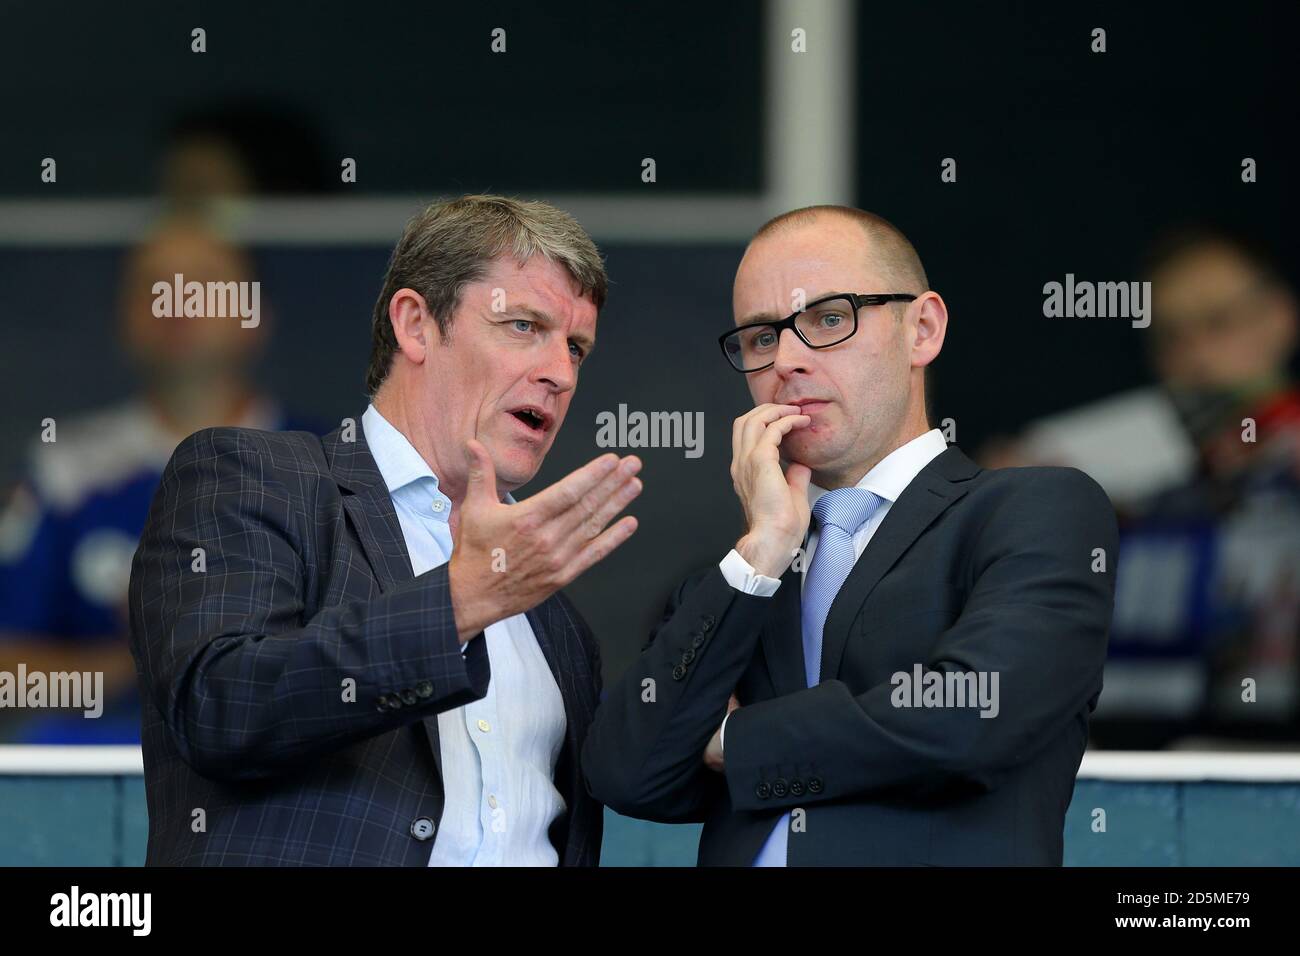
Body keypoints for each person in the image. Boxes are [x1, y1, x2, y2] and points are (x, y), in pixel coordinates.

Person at [582, 205, 1118, 866]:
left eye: (829, 319)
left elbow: (973, 713)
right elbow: (625, 771)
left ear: (922, 329)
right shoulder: (737, 578)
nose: (787, 359)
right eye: (759, 337)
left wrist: (733, 742)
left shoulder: (1033, 509)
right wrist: (762, 552)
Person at [128, 195, 642, 865]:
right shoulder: (256, 477)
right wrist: (459, 605)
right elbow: (219, 704)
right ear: (416, 325)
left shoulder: (559, 625)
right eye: (523, 325)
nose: (560, 372)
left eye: (575, 346)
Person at [0, 217, 311, 744]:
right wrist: (151, 662)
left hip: (292, 767)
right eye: (155, 285)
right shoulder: (65, 468)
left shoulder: (331, 459)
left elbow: (392, 653)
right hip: (103, 772)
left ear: (257, 316)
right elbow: (9, 679)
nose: (179, 300)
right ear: (125, 319)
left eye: (206, 282)